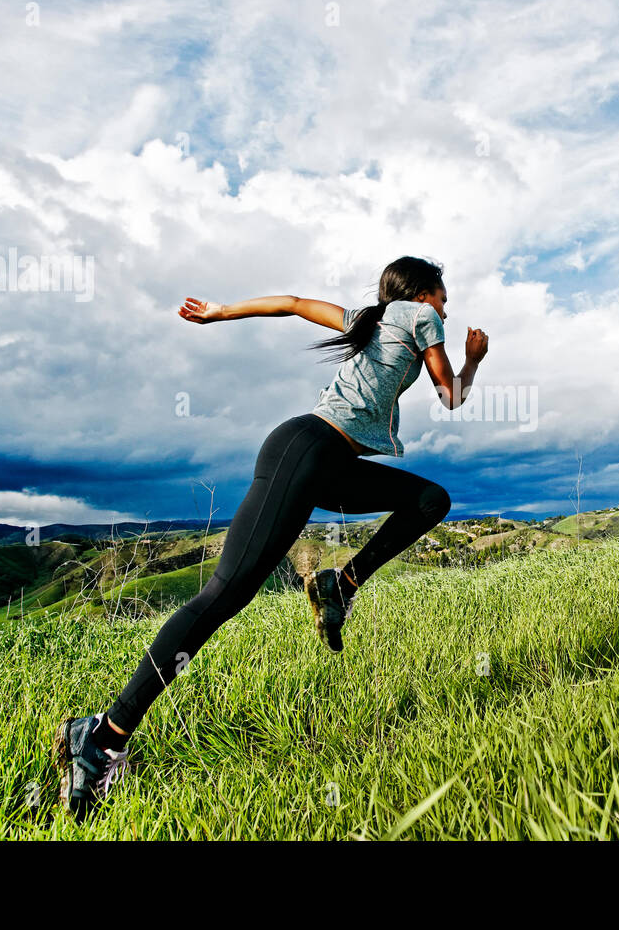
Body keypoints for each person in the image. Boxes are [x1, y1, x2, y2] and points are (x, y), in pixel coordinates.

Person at [55, 255, 488, 820]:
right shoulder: (421, 316)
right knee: (223, 596)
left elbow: (291, 303)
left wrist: (219, 312)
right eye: (444, 297)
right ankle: (102, 736)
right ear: (424, 293)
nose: (447, 308)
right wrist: (472, 362)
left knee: (429, 500)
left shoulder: (369, 317)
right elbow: (450, 396)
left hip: (319, 457)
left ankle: (341, 582)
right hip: (309, 454)